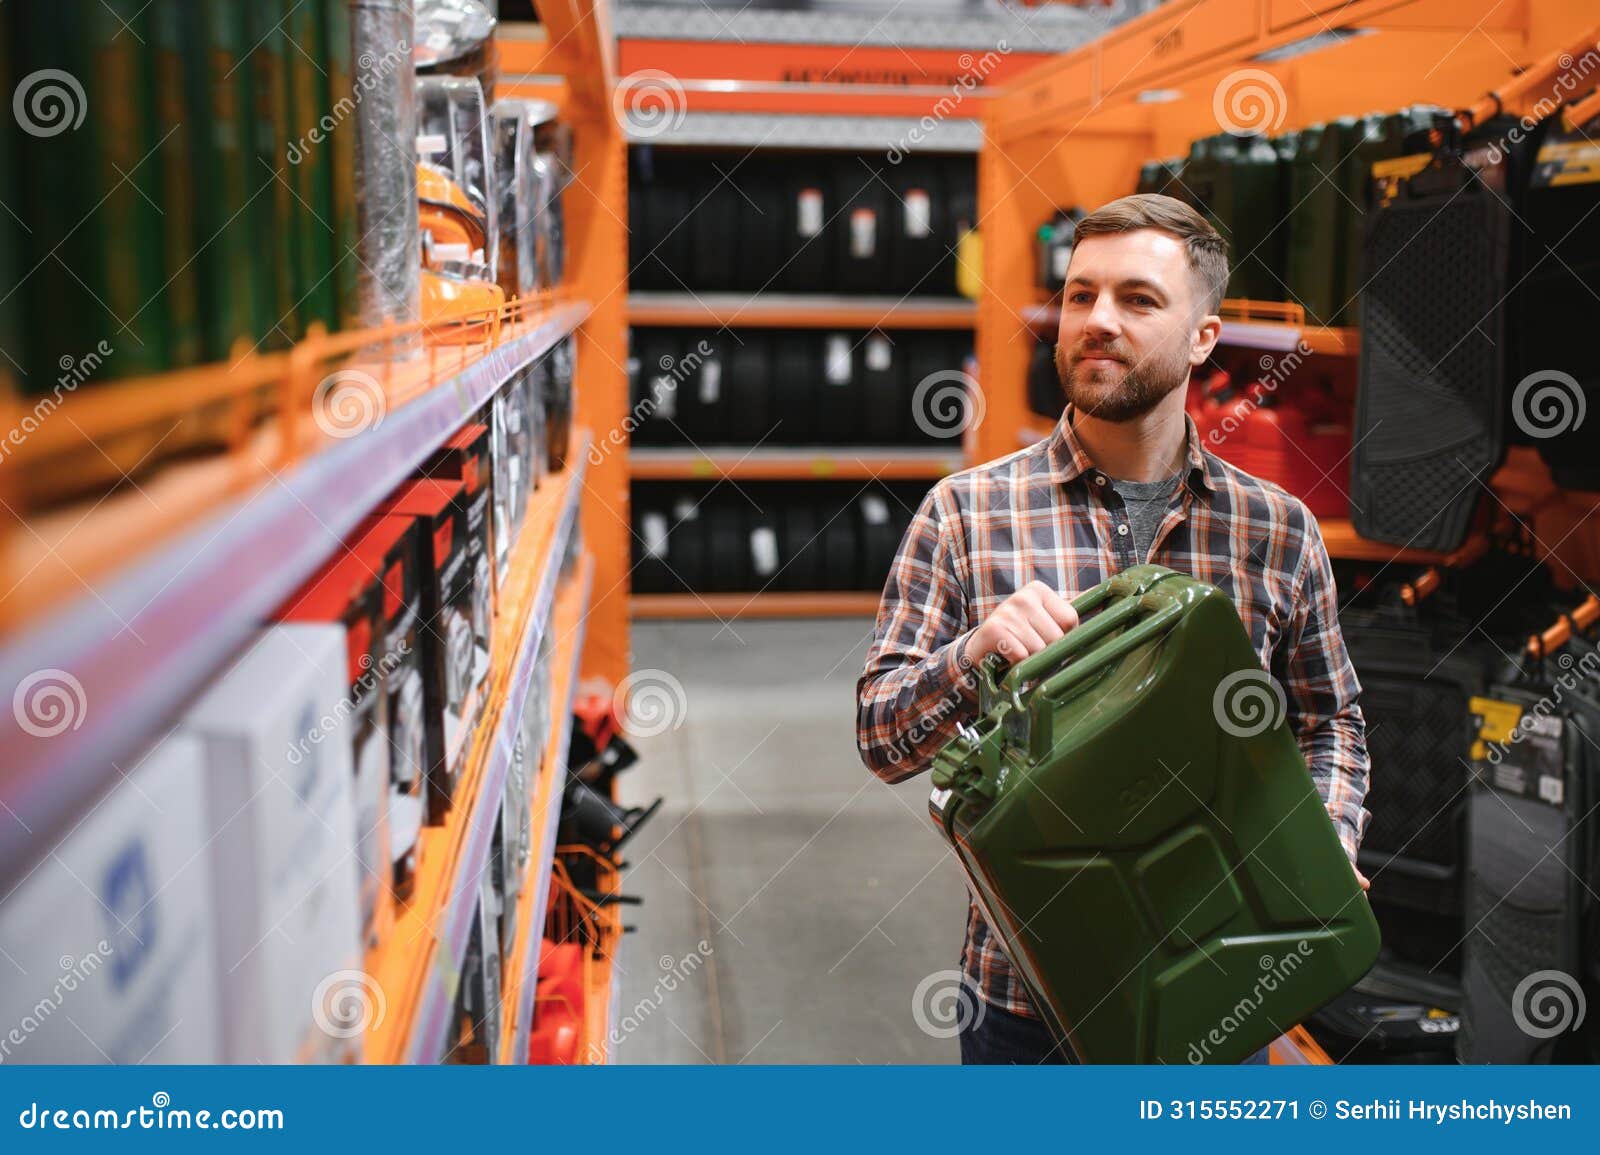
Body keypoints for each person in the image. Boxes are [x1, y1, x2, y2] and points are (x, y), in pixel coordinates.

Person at [855, 193, 1372, 1065]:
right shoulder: (967, 513)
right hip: (1025, 1005)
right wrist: (973, 653)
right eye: (1080, 294)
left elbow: (1332, 720)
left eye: (1137, 299)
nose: (1097, 320)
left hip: (1225, 976)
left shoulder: (1276, 531)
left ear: (1205, 335)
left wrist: (1317, 838)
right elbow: (881, 736)